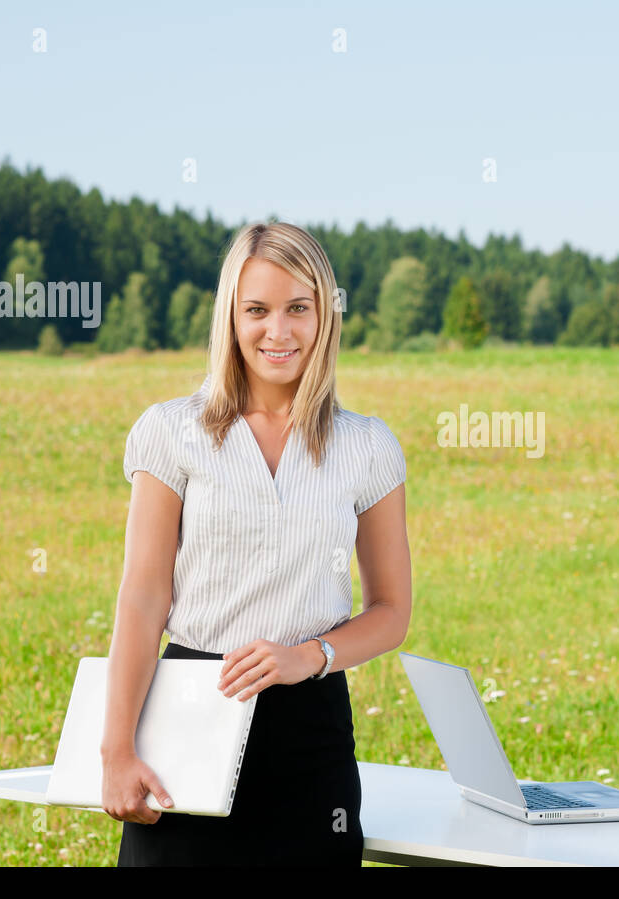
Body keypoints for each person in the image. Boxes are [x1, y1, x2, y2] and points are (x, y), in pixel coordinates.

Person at [103, 221, 411, 865]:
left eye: (299, 308)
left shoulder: (367, 446)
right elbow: (142, 597)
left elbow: (391, 613)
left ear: (324, 315)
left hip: (311, 735)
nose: (279, 331)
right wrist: (116, 749)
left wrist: (309, 656)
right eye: (258, 310)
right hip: (188, 718)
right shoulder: (172, 433)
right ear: (230, 317)